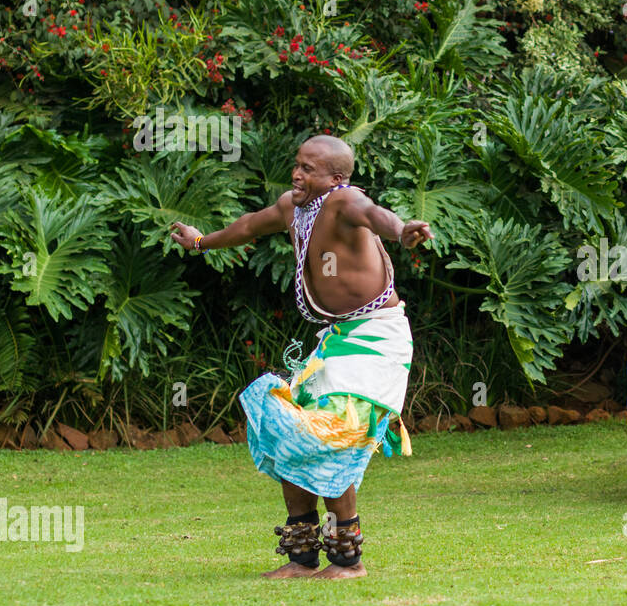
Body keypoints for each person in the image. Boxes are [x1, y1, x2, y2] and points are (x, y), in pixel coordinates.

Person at [169, 135, 432, 580]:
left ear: (335, 177)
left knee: (332, 438)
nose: (297, 174)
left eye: (308, 169)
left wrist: (401, 228)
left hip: (375, 338)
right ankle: (301, 557)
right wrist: (200, 243)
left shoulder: (345, 202)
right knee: (290, 432)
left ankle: (348, 560)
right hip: (335, 339)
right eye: (297, 165)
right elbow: (250, 226)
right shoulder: (293, 207)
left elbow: (375, 215)